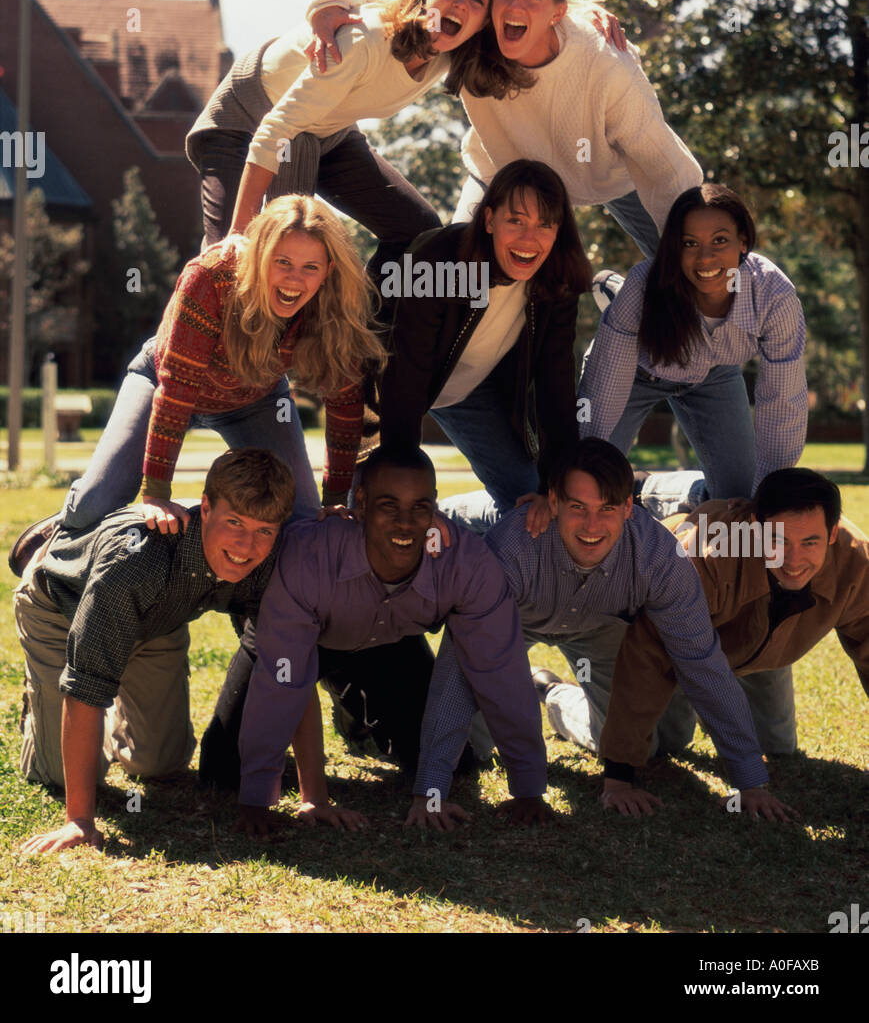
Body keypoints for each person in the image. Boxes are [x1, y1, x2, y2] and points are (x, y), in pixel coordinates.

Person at [422, 439, 798, 823]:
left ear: (628, 509)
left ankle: (553, 693)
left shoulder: (660, 559)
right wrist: (434, 791)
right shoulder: (513, 548)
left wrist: (750, 783)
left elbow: (702, 664)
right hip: (513, 624)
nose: (592, 526)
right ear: (552, 503)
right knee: (471, 753)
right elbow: (459, 665)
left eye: (607, 509)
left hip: (597, 628)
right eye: (577, 508)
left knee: (655, 744)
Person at [12, 450, 342, 855]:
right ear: (205, 508)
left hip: (158, 622)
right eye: (234, 522)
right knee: (61, 775)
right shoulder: (135, 560)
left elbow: (288, 669)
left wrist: (315, 797)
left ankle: (110, 704)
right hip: (61, 604)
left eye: (264, 530)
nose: (245, 545)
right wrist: (80, 822)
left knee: (160, 765)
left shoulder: (272, 559)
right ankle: (58, 546)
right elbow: (85, 686)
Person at [306, 0, 703, 257]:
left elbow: (666, 165)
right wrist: (329, 5)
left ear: (558, 12)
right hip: (500, 166)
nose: (515, 6)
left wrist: (703, 247)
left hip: (612, 175)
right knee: (455, 266)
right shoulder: (472, 30)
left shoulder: (605, 63)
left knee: (689, 269)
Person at [235, 446, 550, 837]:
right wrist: (260, 798)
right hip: (301, 640)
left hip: (387, 644)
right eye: (389, 506)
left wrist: (528, 788)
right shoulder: (308, 555)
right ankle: (327, 712)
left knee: (461, 765)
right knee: (225, 770)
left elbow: (499, 671)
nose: (405, 523)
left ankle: (354, 719)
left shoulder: (465, 563)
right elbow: (283, 682)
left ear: (434, 508)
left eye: (420, 507)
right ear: (361, 503)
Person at [57, 195, 383, 533]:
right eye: (282, 262)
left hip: (255, 399)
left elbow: (344, 402)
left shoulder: (333, 308)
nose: (293, 280)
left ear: (328, 270)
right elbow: (177, 388)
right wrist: (156, 492)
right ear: (259, 255)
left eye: (310, 268)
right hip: (163, 380)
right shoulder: (211, 277)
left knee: (301, 518)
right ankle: (49, 547)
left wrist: (334, 497)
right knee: (96, 503)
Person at [187, 0, 518, 262]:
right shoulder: (365, 39)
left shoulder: (451, 51)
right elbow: (276, 128)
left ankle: (364, 321)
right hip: (247, 118)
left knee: (417, 232)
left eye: (477, 1)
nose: (461, 5)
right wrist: (239, 231)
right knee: (235, 258)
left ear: (483, 22)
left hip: (326, 131)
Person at [596, 467, 869, 773]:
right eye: (778, 541)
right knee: (663, 746)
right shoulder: (707, 557)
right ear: (754, 527)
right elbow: (647, 651)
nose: (793, 561)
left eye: (809, 543)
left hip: (761, 651)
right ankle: (558, 695)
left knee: (777, 748)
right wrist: (619, 768)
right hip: (680, 650)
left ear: (832, 534)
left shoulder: (856, 561)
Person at [379, 160, 591, 514]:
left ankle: (459, 518)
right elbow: (406, 372)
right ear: (490, 219)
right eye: (516, 221)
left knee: (531, 503)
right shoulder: (438, 260)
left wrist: (553, 486)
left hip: (471, 390)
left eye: (544, 225)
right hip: (388, 386)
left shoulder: (558, 280)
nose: (529, 239)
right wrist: (402, 476)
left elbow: (555, 384)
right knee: (383, 506)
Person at [579, 183, 808, 501]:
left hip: (714, 373)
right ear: (675, 248)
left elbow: (782, 402)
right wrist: (585, 464)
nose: (706, 257)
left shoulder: (773, 296)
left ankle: (652, 492)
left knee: (737, 498)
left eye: (720, 241)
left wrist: (770, 496)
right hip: (637, 368)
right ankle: (618, 305)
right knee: (593, 483)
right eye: (690, 243)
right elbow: (601, 393)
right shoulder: (644, 286)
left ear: (744, 242)